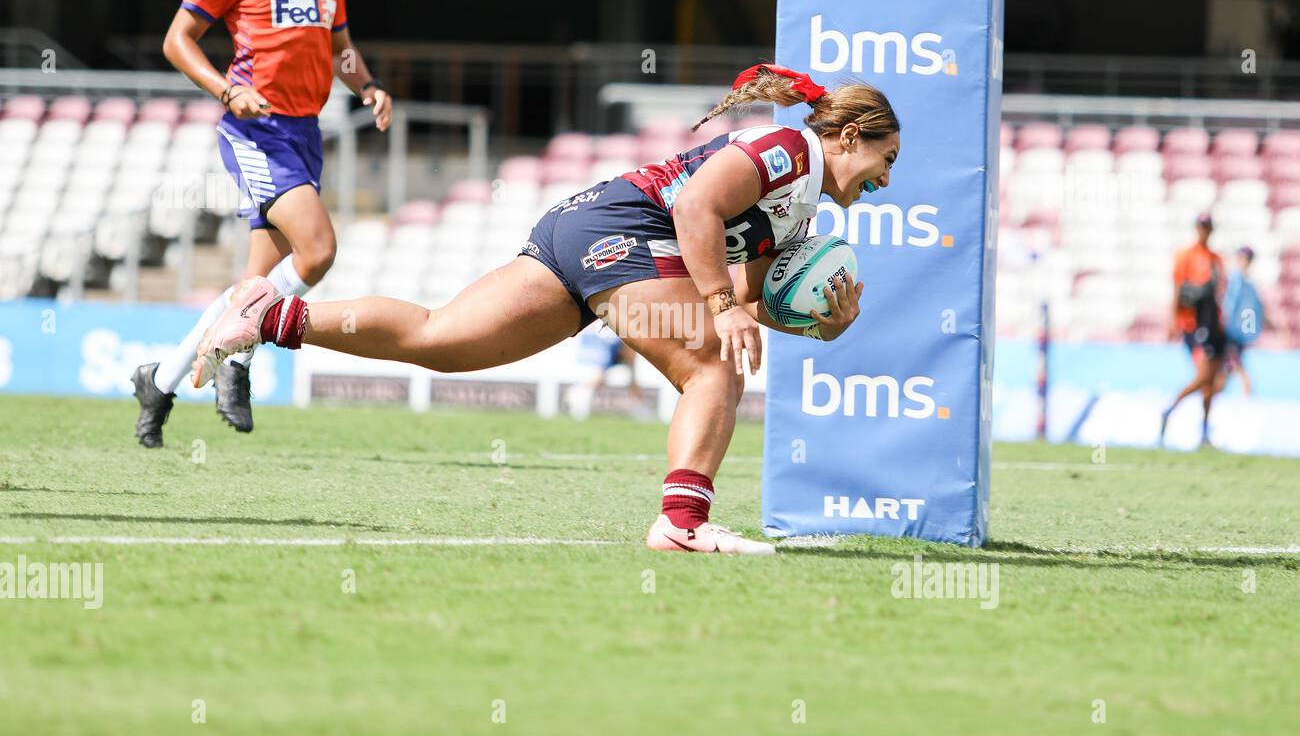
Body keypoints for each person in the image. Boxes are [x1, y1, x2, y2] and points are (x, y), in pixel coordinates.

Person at [192, 64, 900, 555]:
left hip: (585, 228)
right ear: (848, 137)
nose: (886, 179)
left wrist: (813, 320)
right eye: (885, 159)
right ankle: (684, 524)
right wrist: (721, 304)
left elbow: (745, 294)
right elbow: (696, 208)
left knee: (441, 341)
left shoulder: (800, 212)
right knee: (713, 366)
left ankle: (269, 315)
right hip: (622, 232)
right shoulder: (792, 151)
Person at [132, 0, 392, 447]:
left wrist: (367, 86)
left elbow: (339, 45)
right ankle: (239, 360)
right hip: (256, 130)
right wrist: (227, 91)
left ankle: (160, 381)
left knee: (252, 287)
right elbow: (177, 41)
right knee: (318, 249)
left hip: (304, 134)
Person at [1159, 213, 1226, 447]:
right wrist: (1173, 320)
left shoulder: (1216, 259)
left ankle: (1205, 431)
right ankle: (1170, 409)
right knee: (1204, 377)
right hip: (1194, 325)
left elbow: (1219, 294)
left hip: (1213, 325)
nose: (1204, 231)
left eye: (1208, 227)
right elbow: (1178, 289)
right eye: (1201, 226)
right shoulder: (1186, 255)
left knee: (1212, 381)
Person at [1219, 246, 1266, 396]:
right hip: (1229, 331)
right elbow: (1227, 305)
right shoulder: (1234, 280)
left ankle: (1215, 393)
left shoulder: (1249, 284)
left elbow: (1254, 309)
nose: (1246, 262)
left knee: (1227, 368)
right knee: (1233, 362)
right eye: (1243, 258)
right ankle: (1246, 387)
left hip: (1239, 333)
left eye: (1248, 259)